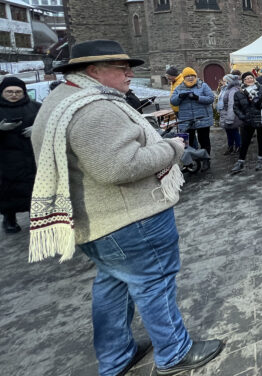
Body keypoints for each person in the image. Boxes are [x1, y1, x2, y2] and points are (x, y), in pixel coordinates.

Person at [29, 39, 223, 376]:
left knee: (113, 285)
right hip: (129, 220)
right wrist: (171, 148)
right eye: (121, 68)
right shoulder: (94, 108)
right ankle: (174, 351)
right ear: (93, 70)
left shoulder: (62, 100)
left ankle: (117, 356)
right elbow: (118, 167)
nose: (130, 73)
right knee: (155, 282)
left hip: (101, 223)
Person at [0, 77, 41, 233]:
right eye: (9, 92)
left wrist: (37, 128)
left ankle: (37, 219)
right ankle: (9, 219)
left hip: (31, 158)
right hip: (5, 161)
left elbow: (50, 123)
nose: (14, 95)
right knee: (7, 193)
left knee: (35, 190)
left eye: (18, 92)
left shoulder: (36, 107)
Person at [170, 67, 214, 169]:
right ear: (184, 78)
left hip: (202, 118)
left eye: (192, 76)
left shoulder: (202, 85)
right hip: (186, 119)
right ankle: (191, 162)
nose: (190, 78)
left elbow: (211, 98)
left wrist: (197, 98)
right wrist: (180, 97)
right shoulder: (179, 88)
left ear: (195, 76)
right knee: (188, 142)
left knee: (204, 140)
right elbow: (173, 101)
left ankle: (206, 160)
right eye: (188, 76)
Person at [231, 71, 262, 173]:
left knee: (261, 140)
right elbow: (236, 107)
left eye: (251, 77)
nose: (249, 80)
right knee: (245, 142)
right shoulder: (239, 93)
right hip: (247, 120)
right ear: (243, 81)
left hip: (260, 118)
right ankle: (240, 162)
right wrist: (242, 117)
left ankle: (260, 159)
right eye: (246, 78)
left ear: (254, 78)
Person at [217, 73, 242, 155]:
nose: (223, 82)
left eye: (224, 81)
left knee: (234, 131)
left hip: (231, 114)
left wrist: (230, 117)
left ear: (229, 81)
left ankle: (238, 146)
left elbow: (232, 104)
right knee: (228, 131)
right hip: (225, 113)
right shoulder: (225, 89)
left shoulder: (233, 90)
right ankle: (230, 146)